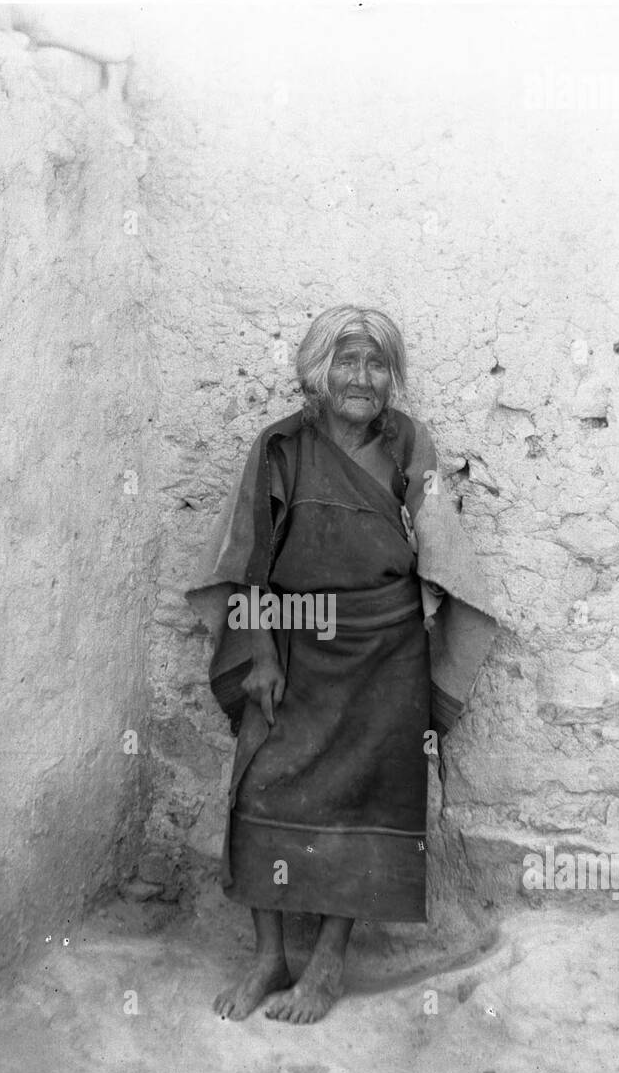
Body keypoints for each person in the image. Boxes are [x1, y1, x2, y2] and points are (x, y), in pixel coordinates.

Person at [186, 306, 500, 1024]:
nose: (362, 378)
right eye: (348, 361)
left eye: (377, 364)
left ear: (393, 377)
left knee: (368, 800)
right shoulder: (280, 447)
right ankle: (268, 956)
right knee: (263, 787)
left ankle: (326, 964)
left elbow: (437, 535)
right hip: (295, 645)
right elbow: (248, 558)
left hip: (386, 650)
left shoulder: (405, 443)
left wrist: (444, 604)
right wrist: (259, 649)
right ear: (317, 370)